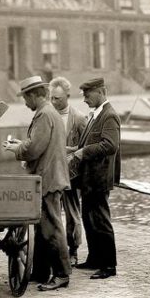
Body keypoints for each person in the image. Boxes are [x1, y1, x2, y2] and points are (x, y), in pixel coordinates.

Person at [3, 75, 72, 291]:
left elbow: (33, 149)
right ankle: (41, 271)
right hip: (49, 177)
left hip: (48, 179)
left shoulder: (44, 115)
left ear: (34, 95)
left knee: (52, 227)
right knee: (41, 228)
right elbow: (37, 145)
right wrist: (22, 144)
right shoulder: (49, 113)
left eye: (26, 98)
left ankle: (62, 274)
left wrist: (16, 148)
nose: (25, 103)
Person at [69, 77, 121, 280]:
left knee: (101, 220)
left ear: (101, 92)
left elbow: (110, 145)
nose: (84, 99)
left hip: (99, 178)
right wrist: (74, 149)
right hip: (89, 178)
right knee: (89, 218)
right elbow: (90, 143)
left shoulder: (109, 115)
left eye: (87, 94)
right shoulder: (95, 115)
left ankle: (109, 265)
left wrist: (83, 152)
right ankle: (94, 259)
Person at [49, 76, 88, 267]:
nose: (54, 102)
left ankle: (73, 251)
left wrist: (72, 152)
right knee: (51, 214)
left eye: (57, 98)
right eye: (52, 98)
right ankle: (55, 251)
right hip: (51, 174)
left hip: (71, 176)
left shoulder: (79, 119)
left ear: (68, 96)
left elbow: (86, 147)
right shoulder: (48, 115)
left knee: (72, 214)